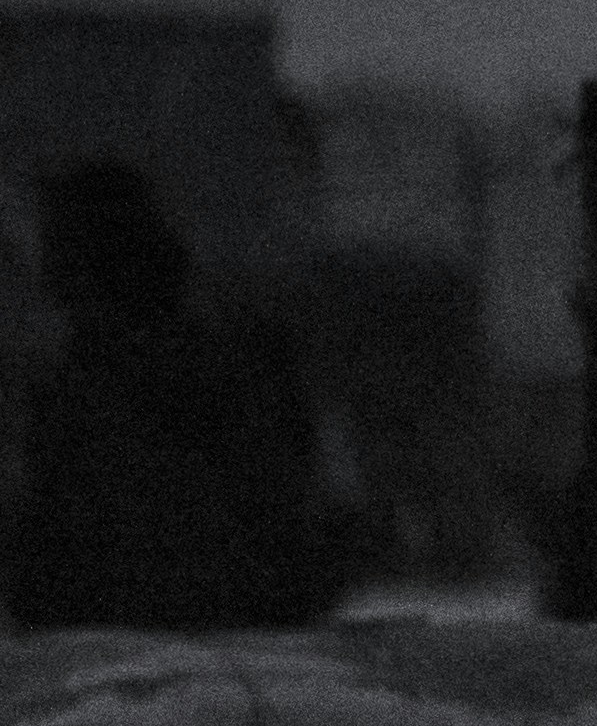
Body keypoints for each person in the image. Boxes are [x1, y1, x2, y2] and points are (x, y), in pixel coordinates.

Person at [7, 159, 347, 633]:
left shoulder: (78, 388)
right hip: (258, 614)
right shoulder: (245, 354)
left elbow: (48, 571)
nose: (39, 277)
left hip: (136, 627)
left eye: (46, 253)